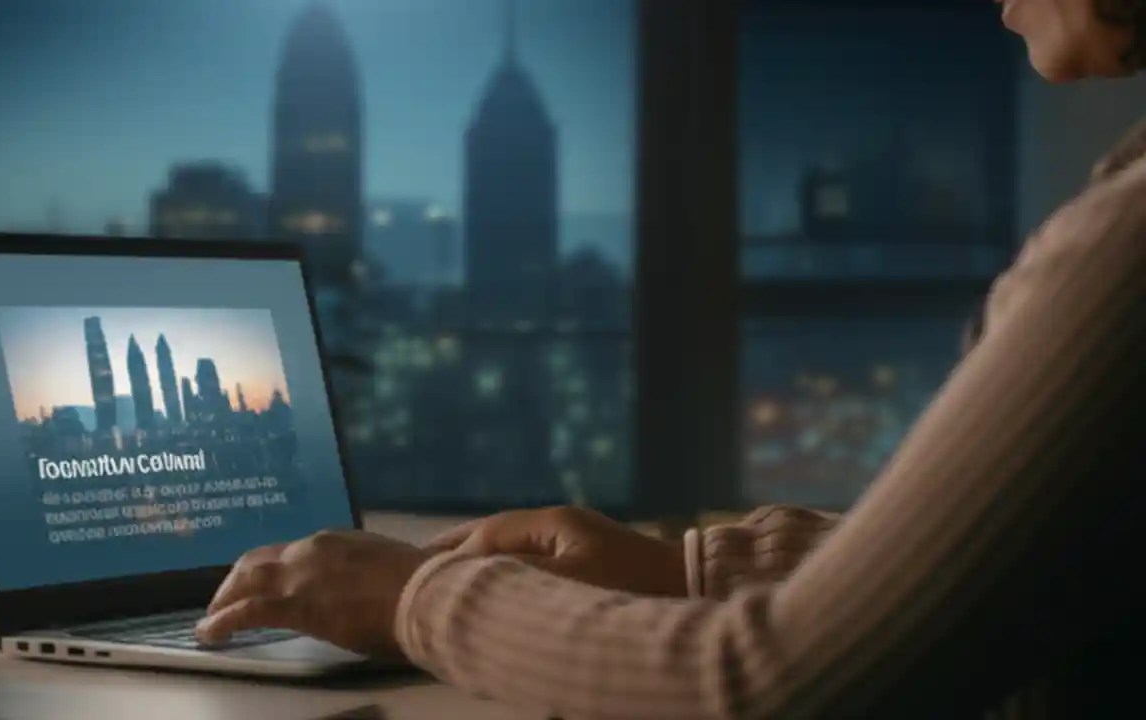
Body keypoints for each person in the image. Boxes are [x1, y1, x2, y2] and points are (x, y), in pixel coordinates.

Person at [197, 1, 1146, 717]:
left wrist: (410, 596)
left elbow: (774, 683)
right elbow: (1043, 570)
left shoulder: (1125, 244)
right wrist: (684, 570)